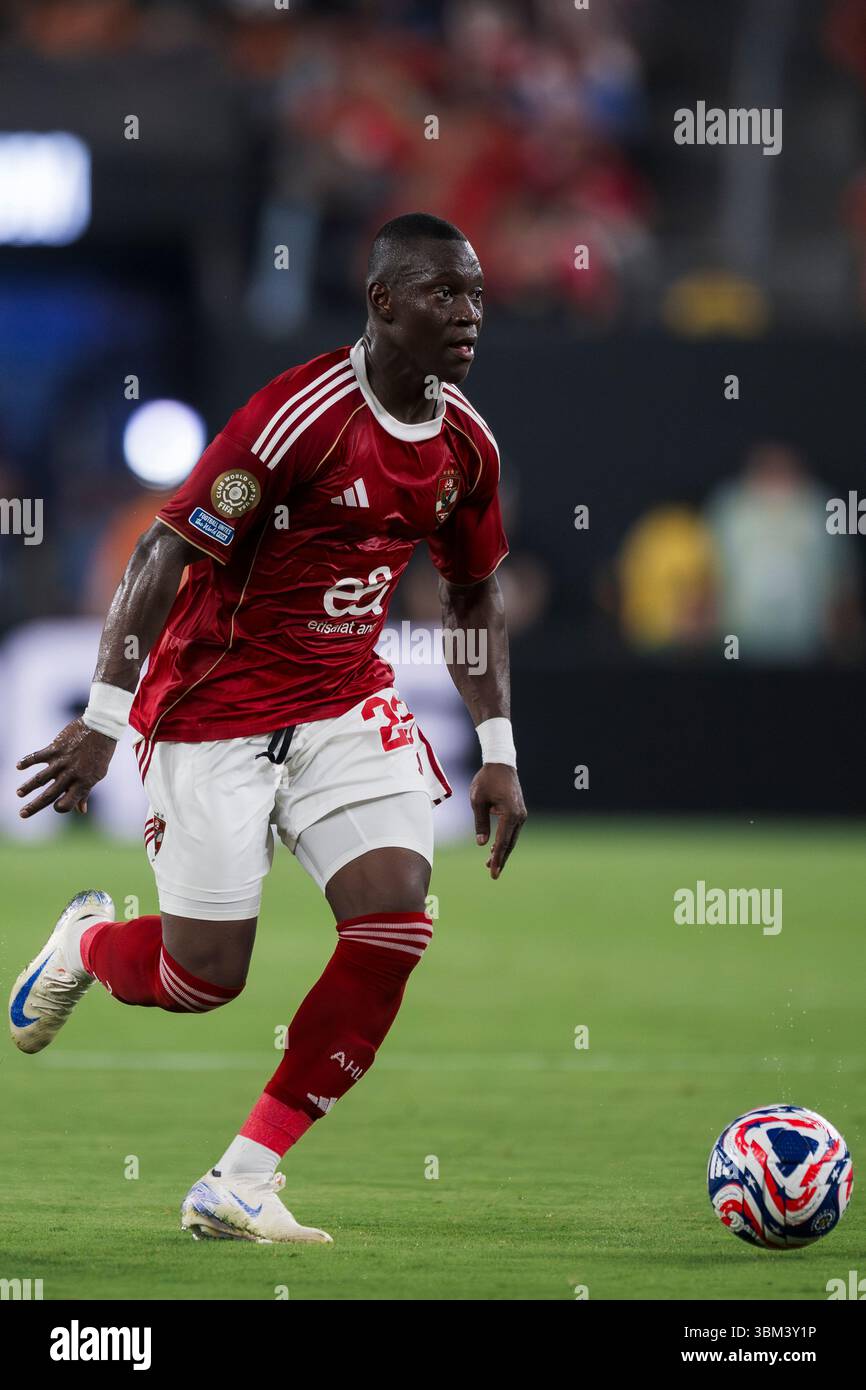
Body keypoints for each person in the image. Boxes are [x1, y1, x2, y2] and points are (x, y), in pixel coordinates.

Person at [10, 212, 526, 1245]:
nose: (466, 314)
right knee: (202, 978)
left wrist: (499, 751)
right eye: (442, 294)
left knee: (393, 919)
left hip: (344, 703)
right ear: (382, 302)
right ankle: (86, 942)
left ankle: (242, 1178)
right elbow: (163, 558)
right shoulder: (294, 420)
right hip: (216, 713)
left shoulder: (467, 443)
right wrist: (105, 720)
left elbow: (471, 597)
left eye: (473, 294)